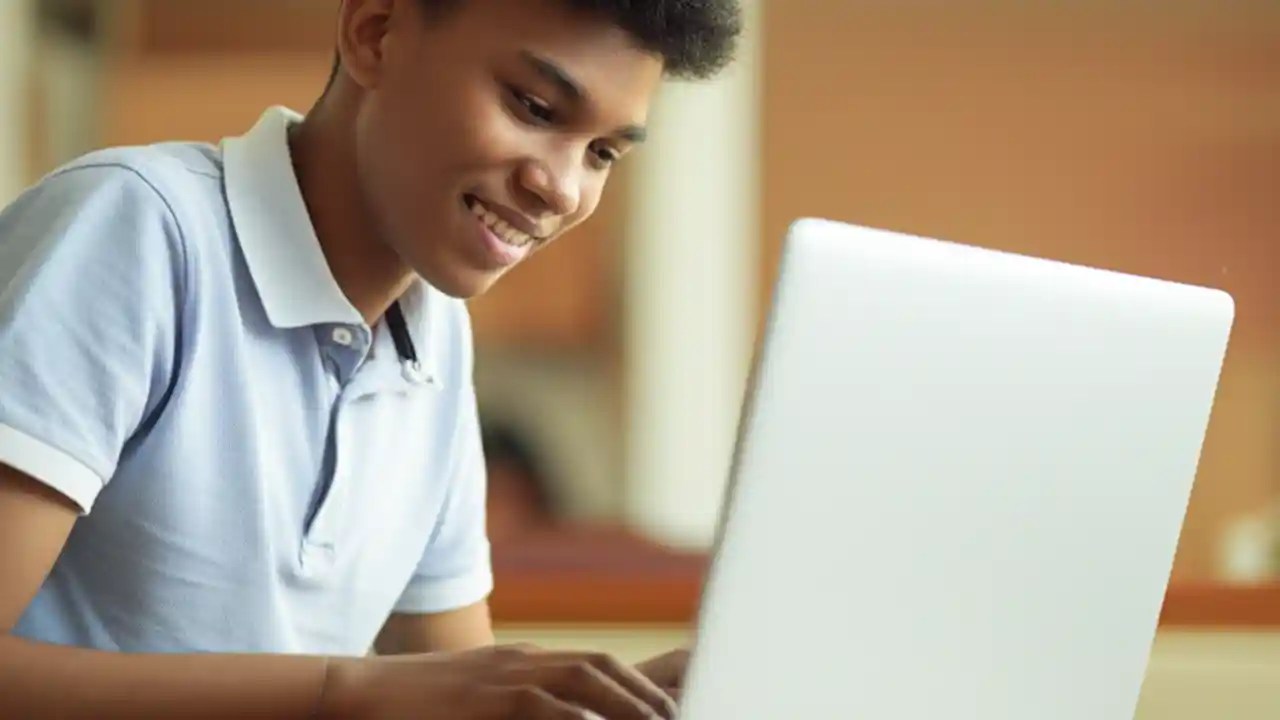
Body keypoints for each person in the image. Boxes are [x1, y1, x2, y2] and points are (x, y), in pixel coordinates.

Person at [0, 0, 740, 717]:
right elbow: (394, 692)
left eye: (602, 152)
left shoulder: (436, 334)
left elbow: (449, 685)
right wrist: (343, 694)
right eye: (535, 108)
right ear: (376, 32)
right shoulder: (137, 233)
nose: (561, 187)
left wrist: (592, 704)